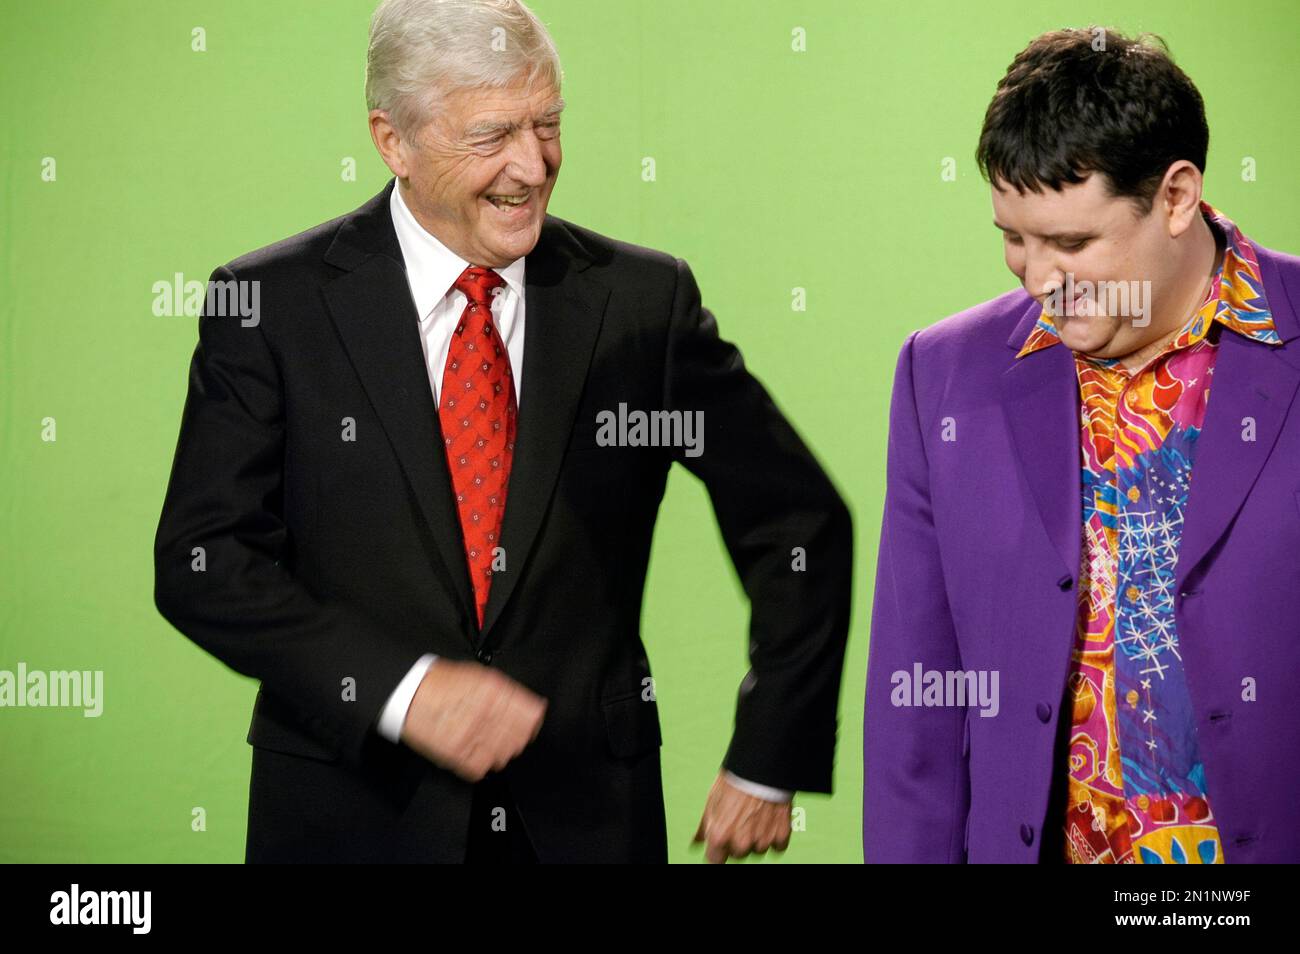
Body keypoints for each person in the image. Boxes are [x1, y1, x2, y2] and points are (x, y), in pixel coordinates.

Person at [153, 0, 852, 864]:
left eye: (548, 124)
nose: (533, 164)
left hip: (585, 822)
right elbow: (205, 563)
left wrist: (768, 758)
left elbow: (798, 520)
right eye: (492, 136)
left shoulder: (641, 303)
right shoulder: (269, 307)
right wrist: (404, 693)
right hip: (349, 818)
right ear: (392, 140)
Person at [863, 27, 1300, 863]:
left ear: (1176, 196)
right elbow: (915, 710)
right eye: (1014, 238)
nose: (1035, 278)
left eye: (1070, 244)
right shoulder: (942, 374)